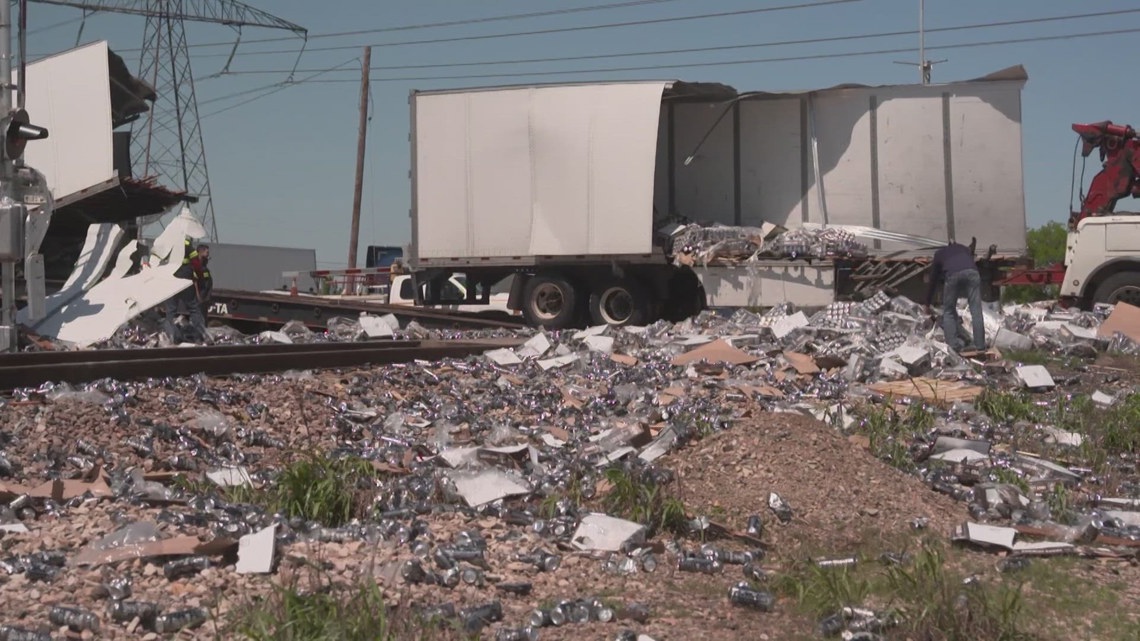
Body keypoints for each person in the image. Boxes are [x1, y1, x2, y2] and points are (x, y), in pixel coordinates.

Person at [924, 240, 985, 353]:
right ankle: (980, 346)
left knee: (949, 311)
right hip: (973, 273)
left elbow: (933, 280)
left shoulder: (939, 254)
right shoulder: (963, 248)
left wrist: (927, 303)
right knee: (976, 310)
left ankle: (953, 347)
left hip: (953, 275)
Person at [163, 240, 210, 344]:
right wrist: (200, 278)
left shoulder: (170, 244)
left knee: (171, 310)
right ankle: (201, 335)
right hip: (186, 279)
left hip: (172, 279)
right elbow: (197, 265)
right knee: (193, 309)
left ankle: (172, 336)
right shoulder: (188, 246)